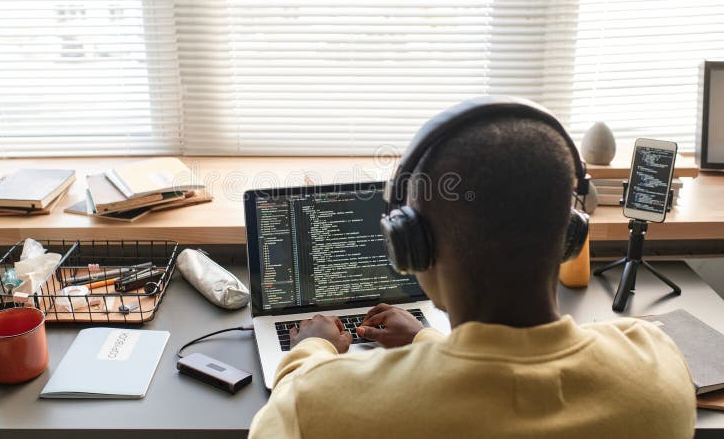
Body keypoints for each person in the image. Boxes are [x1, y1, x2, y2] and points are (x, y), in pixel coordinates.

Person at [249, 109, 696, 439]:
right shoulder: (659, 366)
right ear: (570, 238)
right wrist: (428, 341)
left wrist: (308, 352)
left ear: (411, 247)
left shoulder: (321, 404)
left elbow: (274, 425)